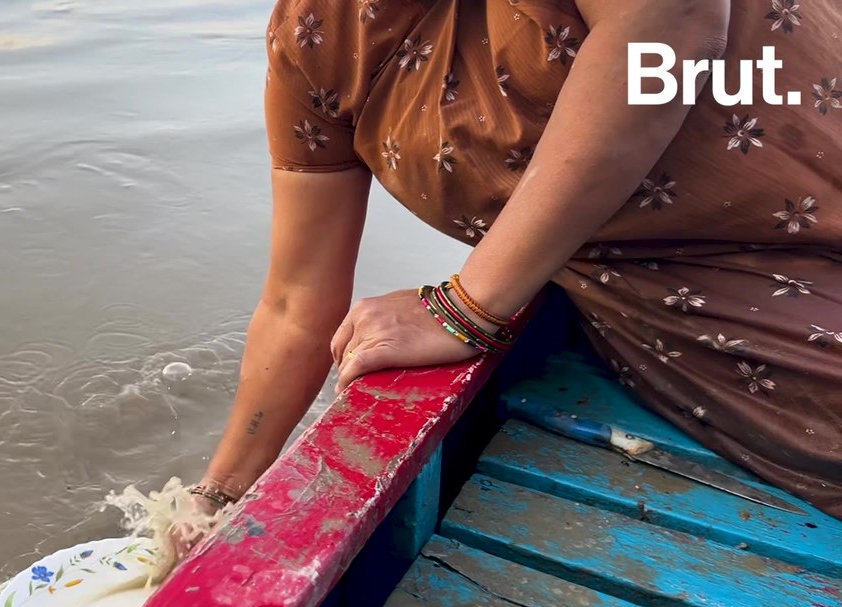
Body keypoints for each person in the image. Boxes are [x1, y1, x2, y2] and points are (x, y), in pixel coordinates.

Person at [183, 0, 842, 527]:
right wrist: (217, 496)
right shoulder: (315, 43)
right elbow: (296, 301)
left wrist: (468, 305)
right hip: (677, 338)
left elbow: (672, 20)